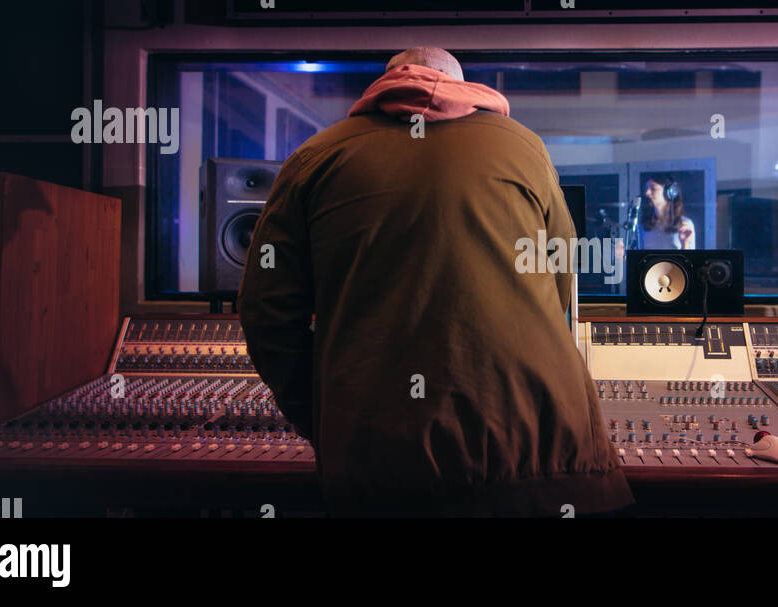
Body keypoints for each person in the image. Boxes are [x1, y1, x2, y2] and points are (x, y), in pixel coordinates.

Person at [237, 47, 633, 517]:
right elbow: (562, 285)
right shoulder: (524, 146)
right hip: (549, 461)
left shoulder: (315, 158)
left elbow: (266, 313)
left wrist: (327, 416)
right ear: (464, 85)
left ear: (383, 86)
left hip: (382, 467)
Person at [638, 175, 696, 250]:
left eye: (653, 188)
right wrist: (620, 257)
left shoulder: (685, 224)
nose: (647, 193)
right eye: (646, 189)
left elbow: (690, 259)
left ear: (669, 193)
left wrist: (685, 243)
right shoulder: (643, 225)